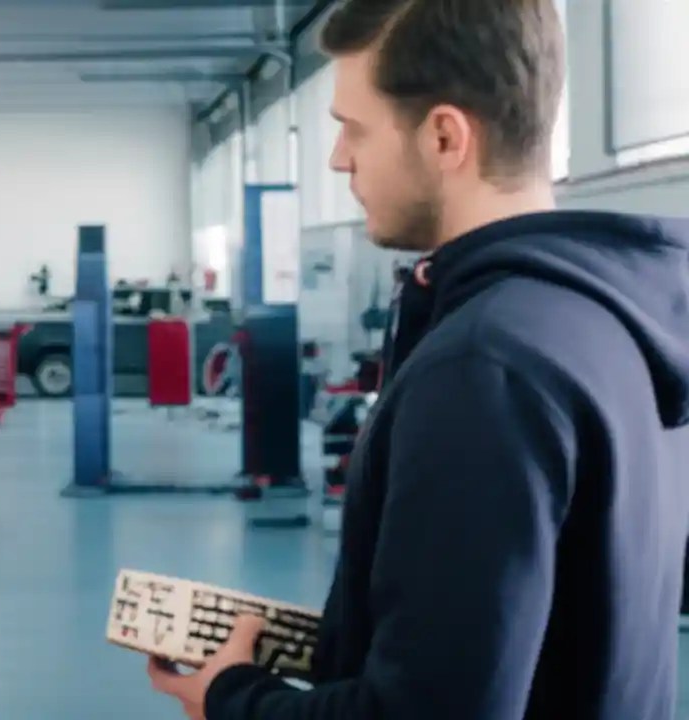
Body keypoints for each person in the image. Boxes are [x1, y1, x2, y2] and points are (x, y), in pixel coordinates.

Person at [149, 1, 689, 718]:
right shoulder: (607, 319)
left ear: (443, 137)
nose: (339, 158)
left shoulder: (484, 366)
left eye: (352, 129)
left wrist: (234, 696)